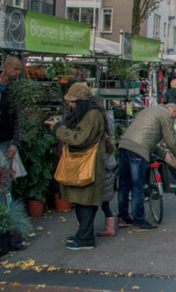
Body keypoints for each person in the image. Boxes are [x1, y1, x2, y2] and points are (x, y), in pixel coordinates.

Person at [45, 83, 107, 250]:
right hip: (86, 163)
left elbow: (80, 139)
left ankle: (85, 238)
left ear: (81, 101)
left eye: (73, 101)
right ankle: (83, 235)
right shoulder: (91, 113)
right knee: (82, 201)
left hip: (88, 164)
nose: (71, 104)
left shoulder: (92, 115)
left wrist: (58, 129)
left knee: (85, 202)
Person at [116, 102, 176, 231]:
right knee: (137, 186)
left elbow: (150, 142)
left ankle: (123, 217)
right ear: (174, 112)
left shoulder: (150, 110)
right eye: (175, 117)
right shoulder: (166, 115)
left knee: (124, 184)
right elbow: (170, 140)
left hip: (124, 145)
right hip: (138, 150)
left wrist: (164, 155)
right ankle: (138, 222)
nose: (173, 119)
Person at [96, 137, 117, 237]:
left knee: (91, 208)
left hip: (99, 184)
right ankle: (110, 229)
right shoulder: (110, 153)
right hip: (108, 184)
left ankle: (85, 229)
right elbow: (111, 165)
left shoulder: (98, 154)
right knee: (106, 207)